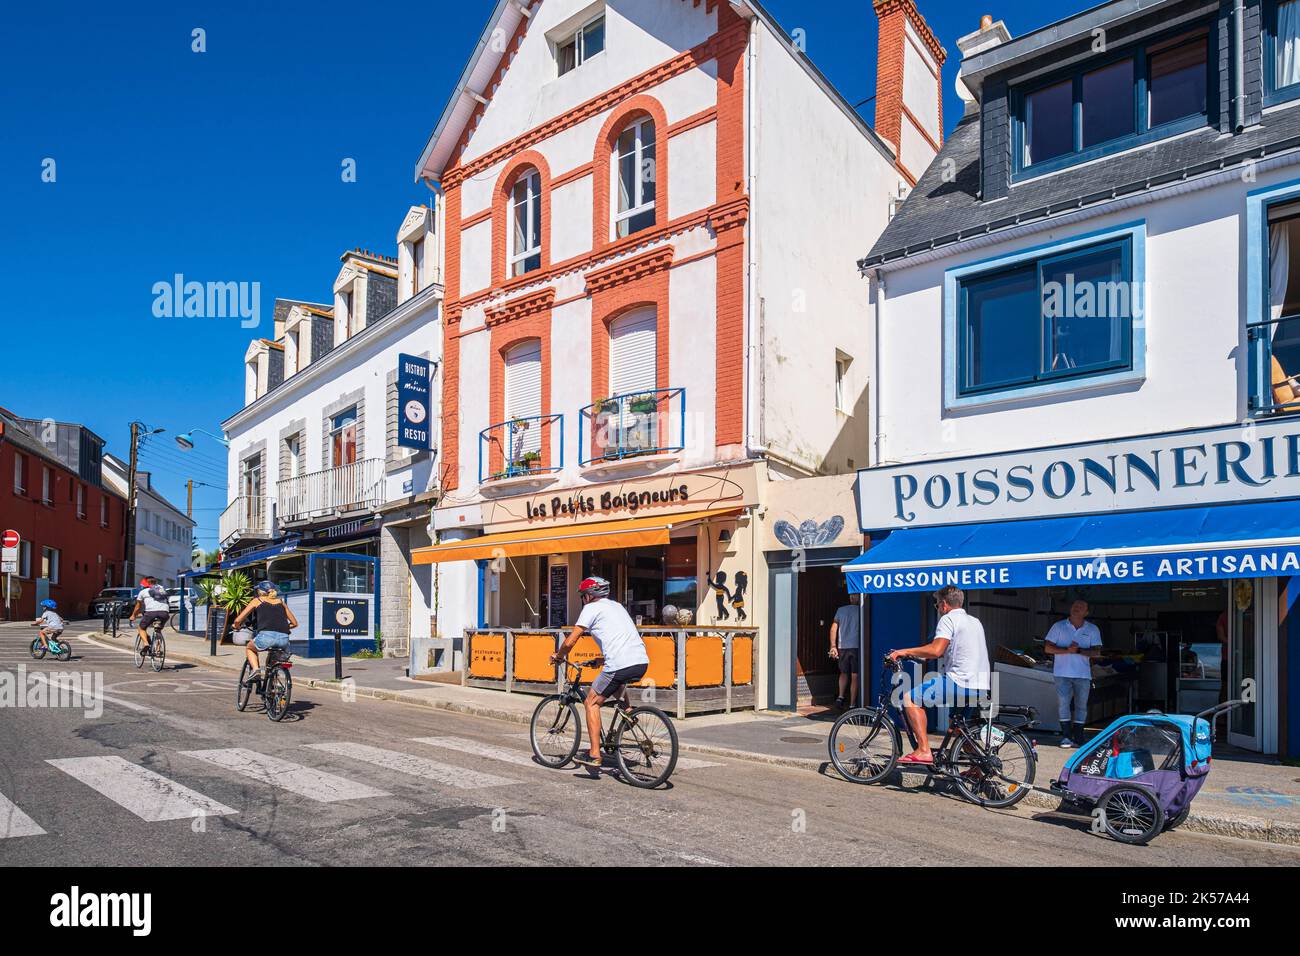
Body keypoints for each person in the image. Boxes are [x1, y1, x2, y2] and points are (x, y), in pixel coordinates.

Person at [551, 576, 649, 768]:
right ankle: (628, 710)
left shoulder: (591, 609)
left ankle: (594, 753)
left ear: (588, 596)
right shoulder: (617, 606)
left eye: (582, 596)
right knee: (615, 675)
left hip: (620, 663)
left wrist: (559, 655)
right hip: (641, 661)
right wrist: (602, 660)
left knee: (591, 702)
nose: (582, 599)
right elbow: (622, 640)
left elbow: (572, 639)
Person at [887, 585, 991, 764]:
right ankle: (979, 767)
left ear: (944, 604)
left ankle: (923, 750)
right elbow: (954, 650)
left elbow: (936, 650)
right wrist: (919, 656)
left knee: (909, 699)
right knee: (958, 728)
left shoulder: (948, 619)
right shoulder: (975, 621)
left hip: (960, 681)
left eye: (936, 605)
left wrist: (903, 652)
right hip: (980, 685)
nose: (938, 609)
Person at [1043, 597, 1102, 748]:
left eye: (1081, 606)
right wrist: (1067, 650)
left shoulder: (1092, 629)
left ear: (1087, 612)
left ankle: (1079, 737)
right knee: (1063, 704)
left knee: (1081, 705)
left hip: (1083, 674)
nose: (1077, 608)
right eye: (1075, 605)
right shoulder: (1059, 626)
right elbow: (1047, 648)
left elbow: (1096, 652)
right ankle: (1066, 737)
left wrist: (1079, 651)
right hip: (1062, 673)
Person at [231, 581, 298, 681]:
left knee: (250, 648)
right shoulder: (281, 602)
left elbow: (238, 620)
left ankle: (256, 670)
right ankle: (272, 688)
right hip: (284, 640)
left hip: (266, 637)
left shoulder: (257, 600)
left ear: (261, 592)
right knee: (272, 663)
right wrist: (281, 627)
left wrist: (235, 626)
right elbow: (294, 623)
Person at [828, 593, 862, 710]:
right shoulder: (862, 610)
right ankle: (852, 704)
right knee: (855, 676)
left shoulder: (841, 610)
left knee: (843, 673)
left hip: (842, 646)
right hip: (856, 646)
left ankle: (841, 696)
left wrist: (833, 646)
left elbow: (833, 628)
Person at [129, 577, 170, 655]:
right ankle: (158, 650)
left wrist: (133, 615)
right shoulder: (162, 590)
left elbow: (138, 606)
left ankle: (146, 644)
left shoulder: (143, 591)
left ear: (145, 584)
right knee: (158, 630)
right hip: (164, 612)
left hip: (151, 613)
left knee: (141, 628)